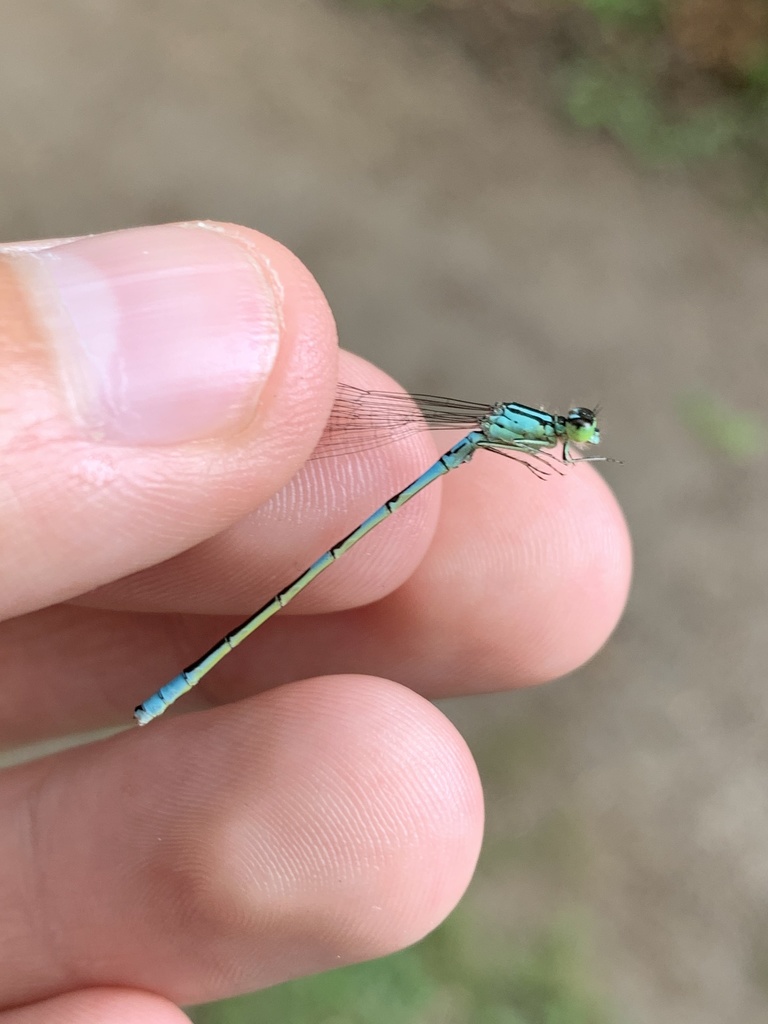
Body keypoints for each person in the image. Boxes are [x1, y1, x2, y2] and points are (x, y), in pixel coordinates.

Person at [0, 222, 631, 1023]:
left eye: (572, 430)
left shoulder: (542, 437)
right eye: (574, 430)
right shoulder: (525, 435)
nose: (576, 435)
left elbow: (543, 456)